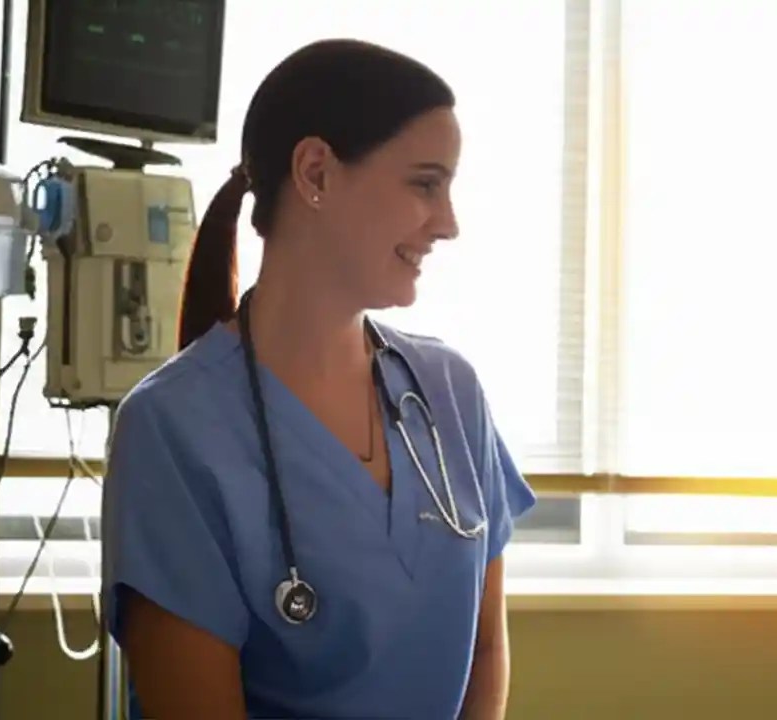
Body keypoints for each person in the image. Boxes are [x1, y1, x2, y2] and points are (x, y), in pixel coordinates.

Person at [101, 39, 536, 720]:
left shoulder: (451, 394)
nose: (448, 223)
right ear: (317, 173)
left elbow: (484, 656)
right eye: (425, 183)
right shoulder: (172, 428)